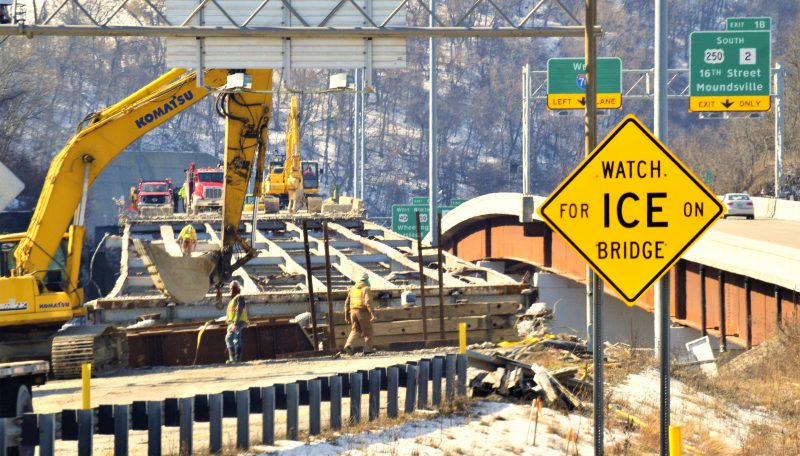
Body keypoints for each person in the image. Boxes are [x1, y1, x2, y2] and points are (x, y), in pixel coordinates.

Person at [335, 273, 377, 357]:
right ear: (366, 280)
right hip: (362, 312)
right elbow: (368, 302)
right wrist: (372, 313)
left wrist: (346, 315)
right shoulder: (366, 289)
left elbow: (347, 303)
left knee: (355, 330)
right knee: (368, 331)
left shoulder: (352, 289)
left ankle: (348, 345)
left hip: (353, 312)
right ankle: (368, 350)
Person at [225, 281, 248, 363]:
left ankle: (234, 359)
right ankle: (236, 359)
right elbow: (232, 312)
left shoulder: (239, 297)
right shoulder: (232, 300)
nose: (232, 290)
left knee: (229, 338)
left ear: (238, 289)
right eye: (231, 288)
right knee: (235, 339)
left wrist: (235, 324)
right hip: (234, 322)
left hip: (238, 322)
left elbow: (239, 311)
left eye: (234, 288)